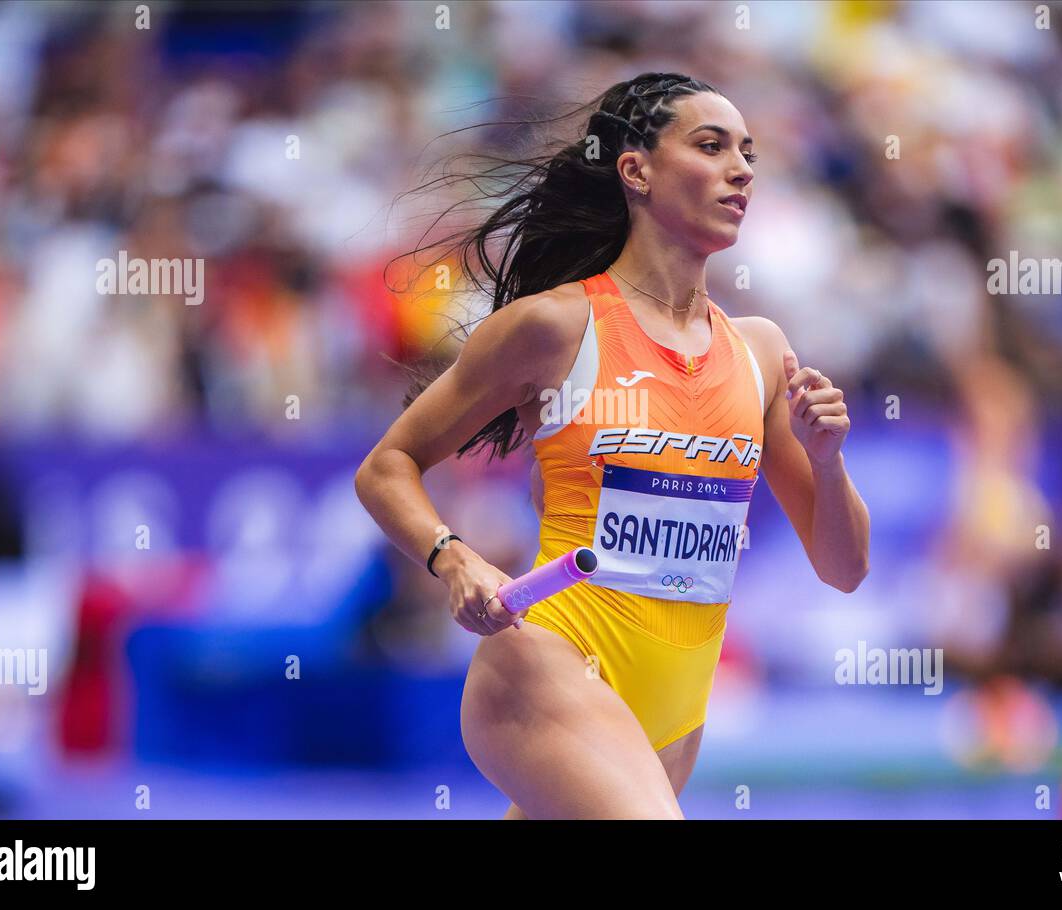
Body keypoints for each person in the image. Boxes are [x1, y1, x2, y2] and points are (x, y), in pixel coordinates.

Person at [355, 73, 870, 819]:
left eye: (748, 152)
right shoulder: (555, 327)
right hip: (546, 669)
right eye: (711, 145)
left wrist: (827, 460)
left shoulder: (760, 352)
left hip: (675, 711)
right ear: (637, 171)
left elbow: (845, 568)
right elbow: (386, 467)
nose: (742, 169)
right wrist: (455, 558)